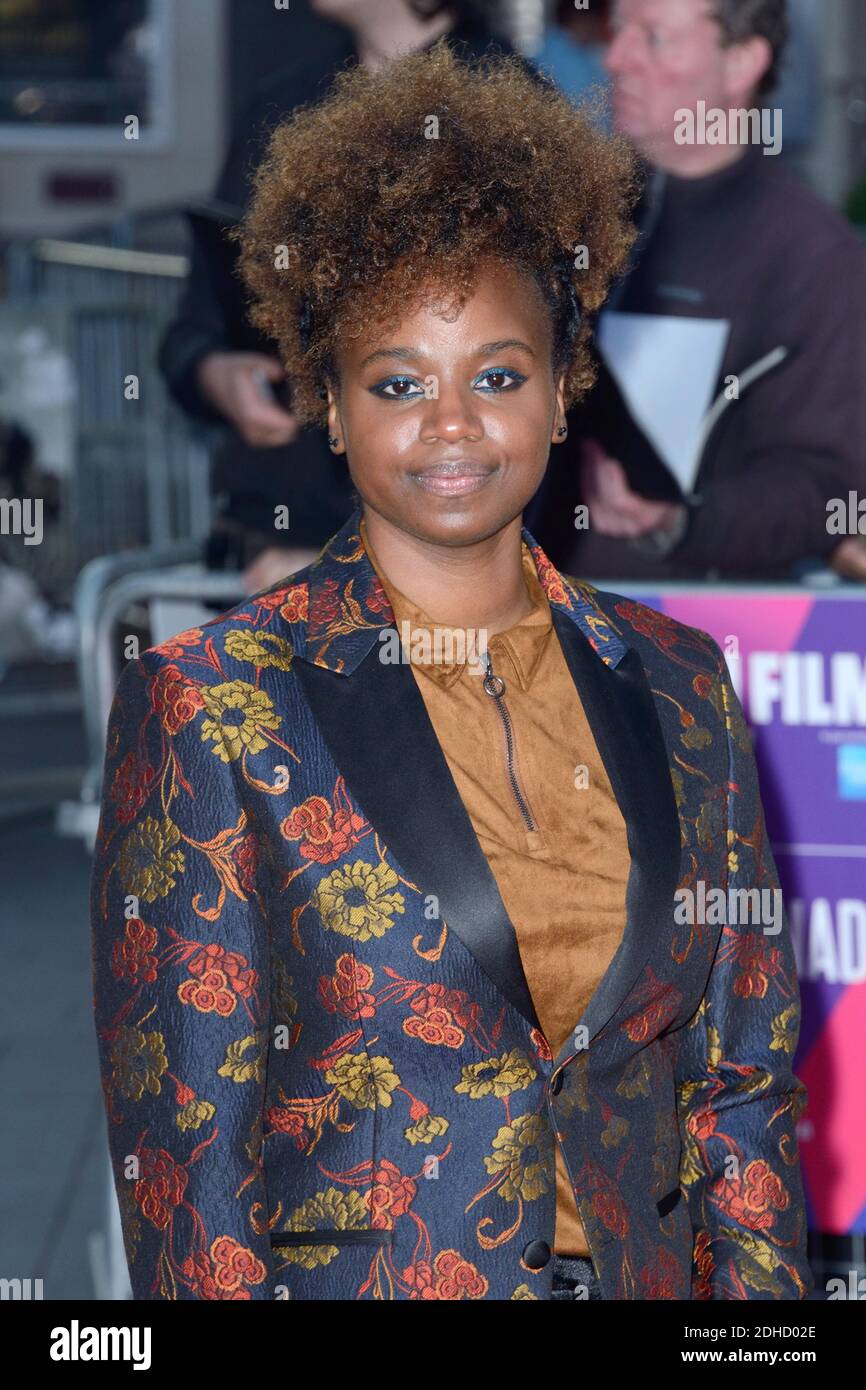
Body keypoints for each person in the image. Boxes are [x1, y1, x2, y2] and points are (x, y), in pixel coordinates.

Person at [91, 42, 812, 1300]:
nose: (451, 428)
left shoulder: (676, 680)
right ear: (328, 404)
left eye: (495, 375)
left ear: (559, 389)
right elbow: (188, 1184)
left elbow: (737, 1094)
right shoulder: (212, 703)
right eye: (394, 382)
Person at [158, 0, 521, 597]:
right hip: (261, 549)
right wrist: (214, 374)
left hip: (436, 577)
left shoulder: (504, 108)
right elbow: (192, 329)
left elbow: (528, 364)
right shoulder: (284, 105)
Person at [526, 0, 866, 582]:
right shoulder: (561, 216)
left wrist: (679, 522)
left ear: (741, 64)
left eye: (654, 38)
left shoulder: (811, 256)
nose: (616, 57)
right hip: (530, 617)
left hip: (692, 636)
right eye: (618, 29)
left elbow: (830, 491)